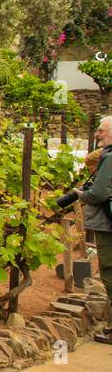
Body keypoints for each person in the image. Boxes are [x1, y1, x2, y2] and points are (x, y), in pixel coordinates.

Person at [78, 116, 112, 342]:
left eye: (101, 131)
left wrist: (83, 195)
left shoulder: (109, 157)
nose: (97, 134)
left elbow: (99, 194)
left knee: (109, 272)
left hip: (107, 224)